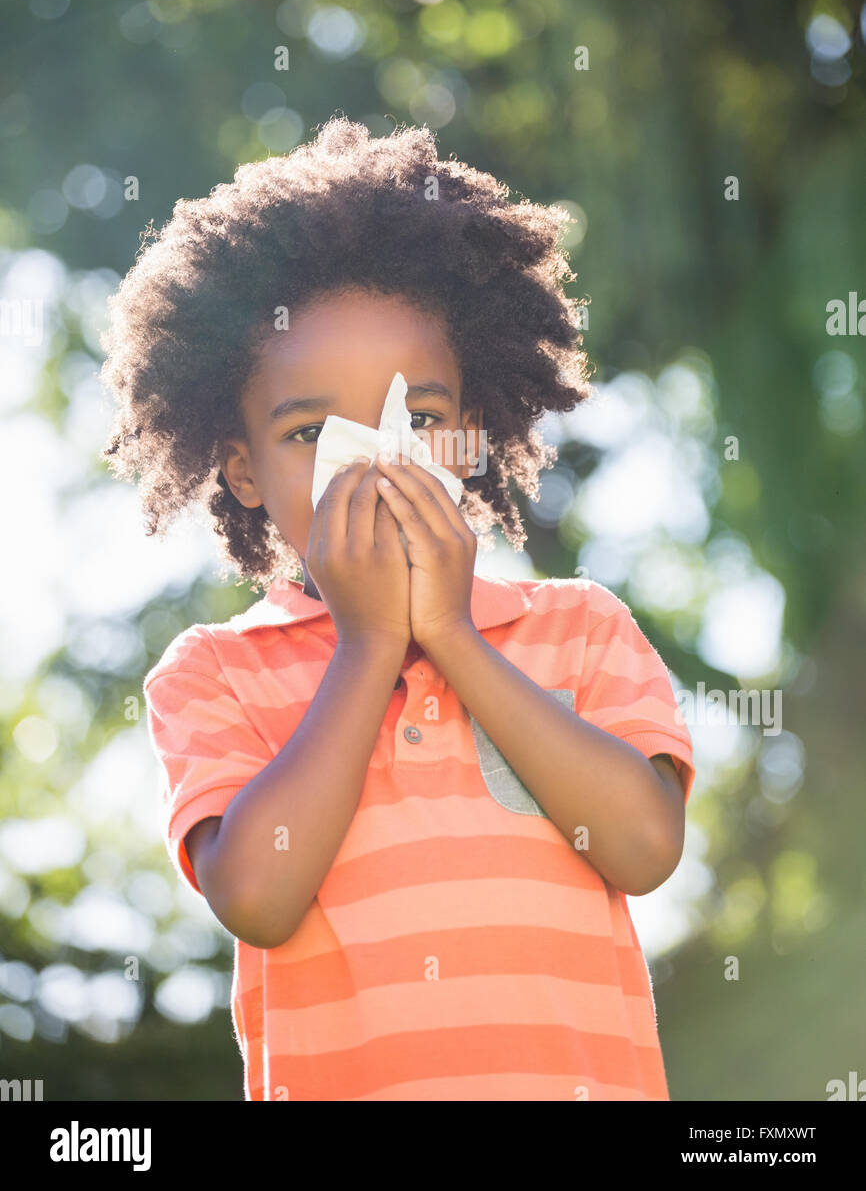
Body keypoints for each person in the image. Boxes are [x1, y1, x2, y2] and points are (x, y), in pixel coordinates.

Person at [101, 113, 694, 1101]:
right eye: (307, 432)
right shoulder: (213, 674)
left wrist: (451, 636)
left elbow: (640, 846)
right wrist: (369, 644)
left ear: (465, 438)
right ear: (240, 468)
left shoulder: (578, 630)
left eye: (413, 419)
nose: (372, 460)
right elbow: (255, 894)